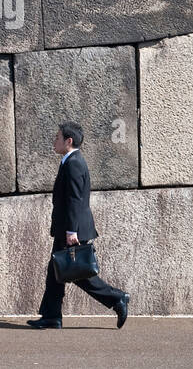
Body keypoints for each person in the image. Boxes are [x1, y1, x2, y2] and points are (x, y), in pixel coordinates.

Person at [27, 121, 130, 330]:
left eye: (57, 138)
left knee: (78, 275)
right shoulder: (70, 161)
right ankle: (51, 317)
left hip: (72, 230)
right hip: (68, 228)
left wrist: (71, 231)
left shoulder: (74, 163)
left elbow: (75, 199)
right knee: (57, 272)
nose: (54, 141)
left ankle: (117, 298)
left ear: (69, 141)